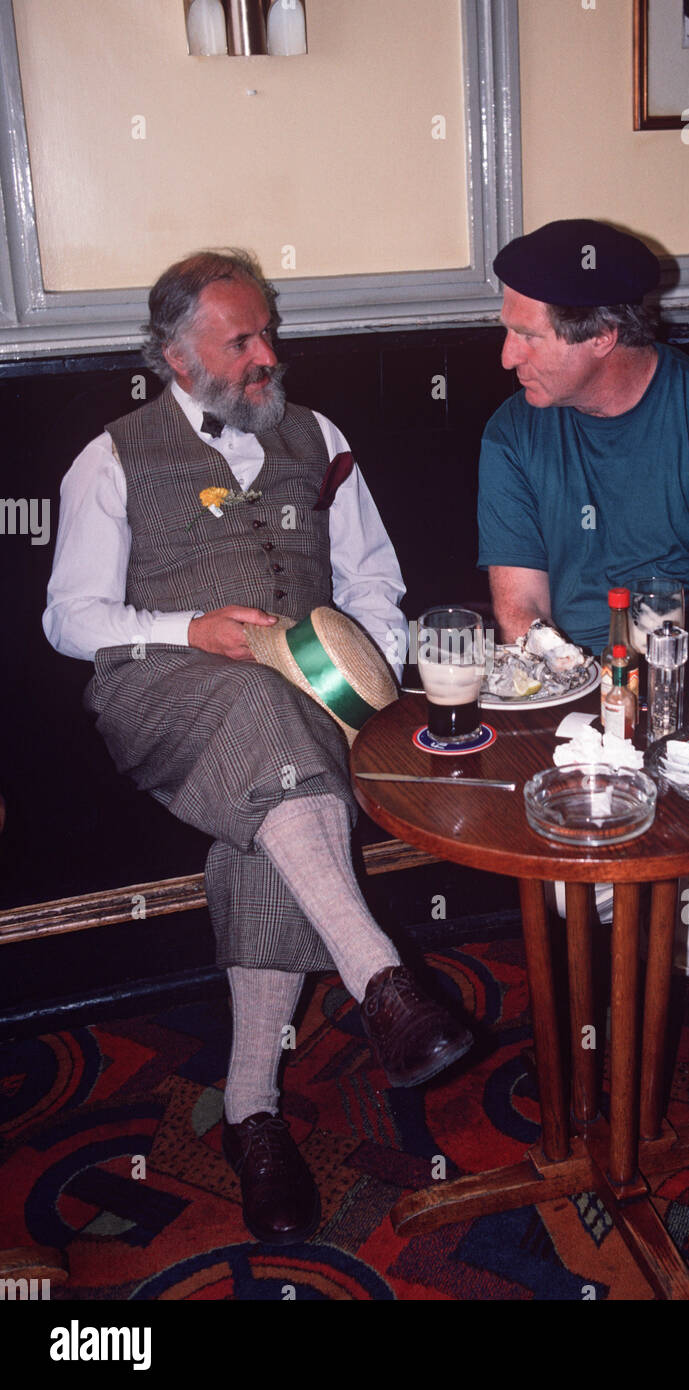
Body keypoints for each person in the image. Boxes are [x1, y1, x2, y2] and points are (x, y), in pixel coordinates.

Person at [43, 249, 472, 1245]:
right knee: (258, 715)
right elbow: (71, 619)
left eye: (269, 332)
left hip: (308, 692)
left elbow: (372, 581)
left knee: (274, 812)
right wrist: (186, 630)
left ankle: (252, 1114)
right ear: (173, 356)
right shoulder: (109, 459)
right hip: (163, 688)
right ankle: (379, 973)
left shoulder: (321, 436)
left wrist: (368, 675)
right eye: (241, 341)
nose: (267, 355)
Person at [477, 219, 689, 1042]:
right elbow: (518, 610)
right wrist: (590, 717)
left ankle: (679, 963)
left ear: (602, 338)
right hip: (577, 698)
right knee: (571, 874)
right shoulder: (513, 430)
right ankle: (632, 970)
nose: (506, 357)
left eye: (525, 334)